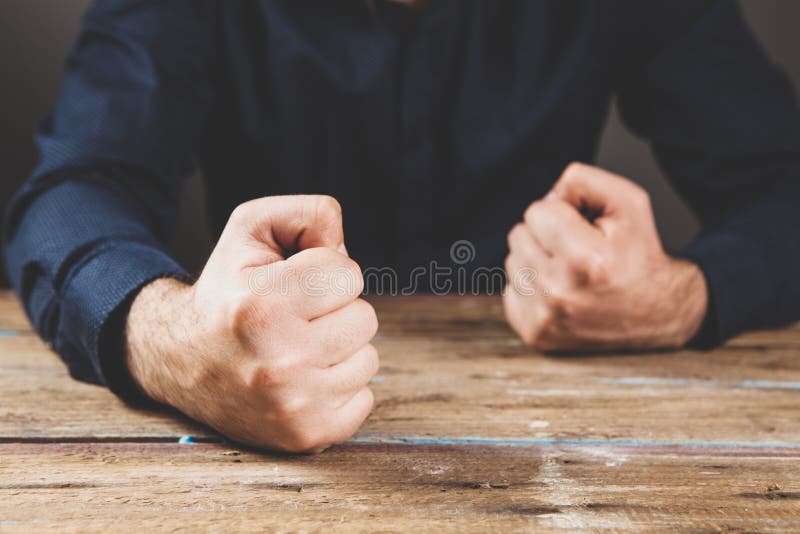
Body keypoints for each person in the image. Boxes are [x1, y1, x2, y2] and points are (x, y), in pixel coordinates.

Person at [4, 0, 800, 452]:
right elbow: (73, 188)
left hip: (574, 431)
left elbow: (783, 184)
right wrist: (173, 341)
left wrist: (681, 296)